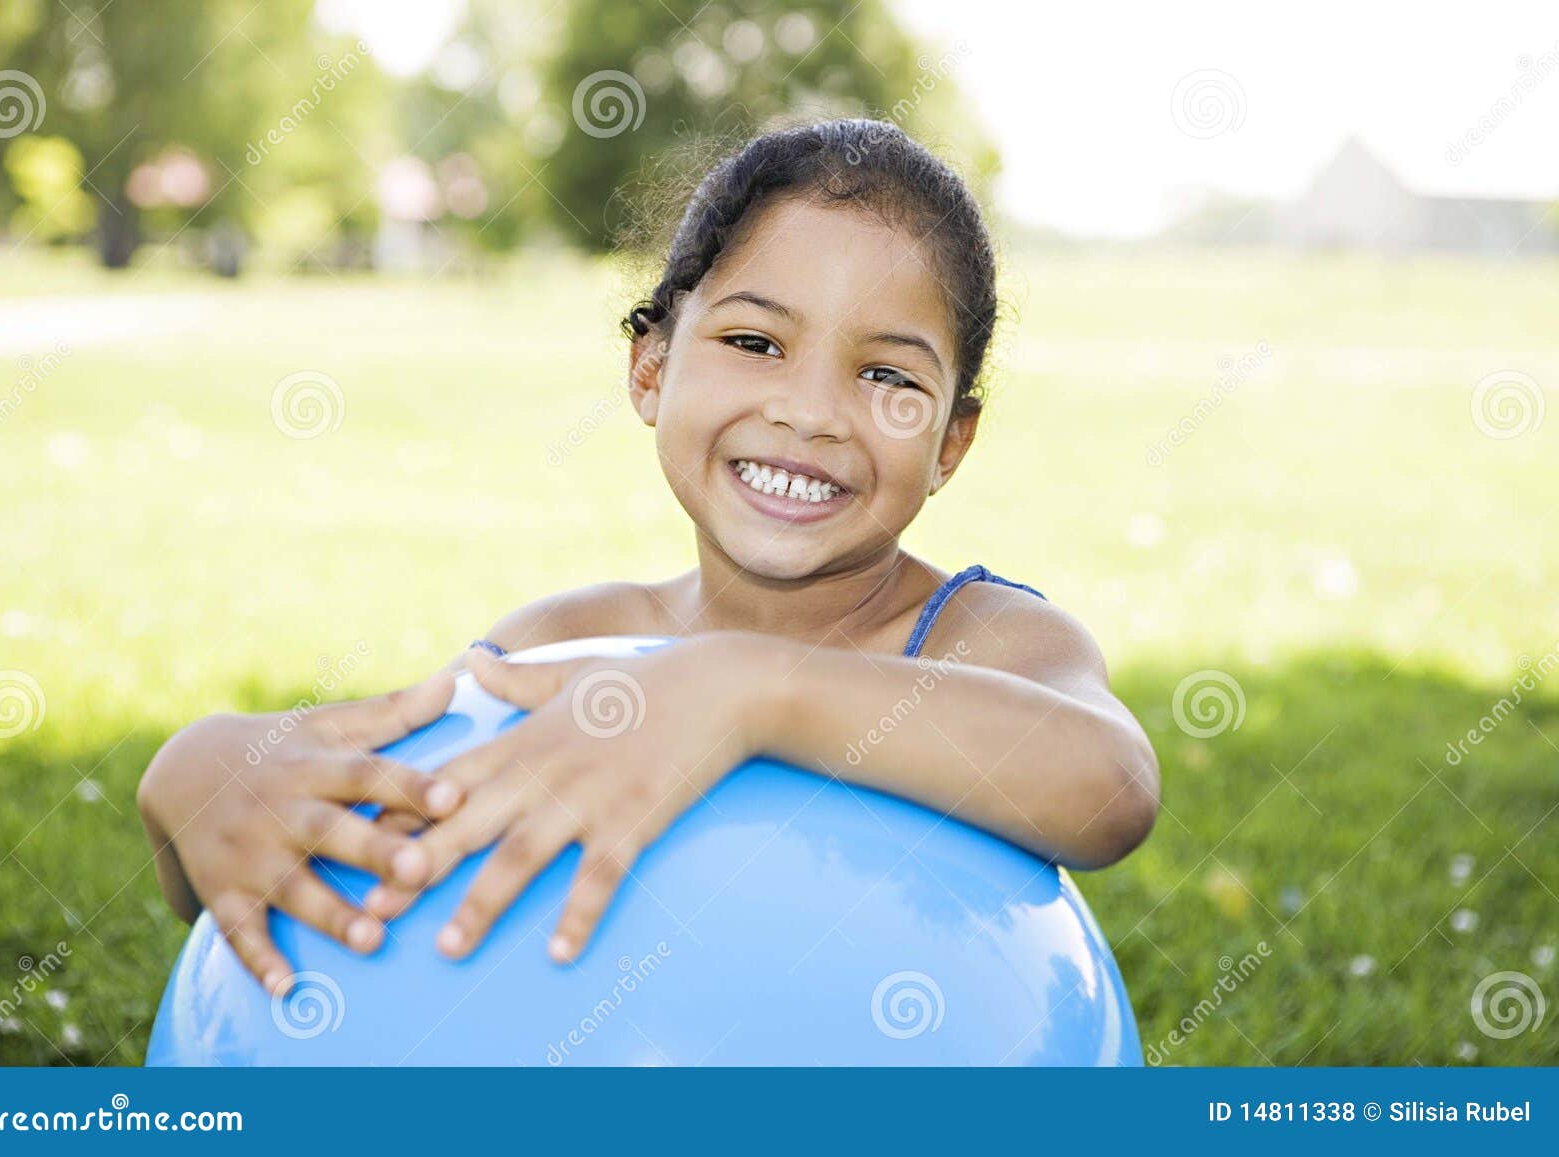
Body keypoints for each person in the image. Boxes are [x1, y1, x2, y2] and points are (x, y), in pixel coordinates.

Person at [138, 118, 1160, 994]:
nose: (808, 411)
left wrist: (753, 689)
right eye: (755, 343)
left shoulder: (988, 639)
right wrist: (200, 776)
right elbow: (392, 826)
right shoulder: (565, 641)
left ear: (948, 443)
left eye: (884, 372)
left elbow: (1108, 788)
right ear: (650, 368)